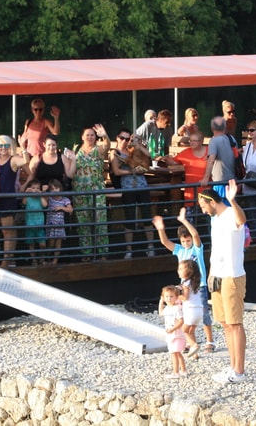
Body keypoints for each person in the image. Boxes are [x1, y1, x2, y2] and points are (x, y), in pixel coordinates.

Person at [202, 180, 247, 384]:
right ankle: (232, 366)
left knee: (235, 323)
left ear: (211, 202)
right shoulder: (216, 219)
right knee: (225, 323)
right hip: (218, 276)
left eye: (203, 206)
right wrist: (211, 274)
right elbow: (217, 249)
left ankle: (239, 371)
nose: (203, 211)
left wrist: (233, 201)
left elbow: (241, 221)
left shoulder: (229, 213)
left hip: (232, 275)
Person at [152, 209, 215, 353]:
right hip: (184, 286)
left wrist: (184, 220)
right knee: (185, 314)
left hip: (200, 286)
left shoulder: (197, 249)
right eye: (183, 241)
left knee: (204, 313)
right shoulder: (180, 250)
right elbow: (165, 242)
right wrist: (161, 229)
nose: (186, 243)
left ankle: (210, 341)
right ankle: (190, 342)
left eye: (188, 240)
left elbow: (196, 235)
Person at [0, 135, 28, 267]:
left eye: (6, 145)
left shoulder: (14, 159)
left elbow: (25, 161)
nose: (3, 148)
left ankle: (8, 260)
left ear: (10, 147)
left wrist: (23, 147)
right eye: (1, 145)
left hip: (8, 199)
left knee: (7, 231)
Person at [111, 130, 153, 258]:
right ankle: (129, 249)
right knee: (129, 218)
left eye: (127, 138)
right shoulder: (115, 153)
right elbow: (116, 171)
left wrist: (138, 145)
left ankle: (150, 247)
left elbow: (149, 156)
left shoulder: (134, 149)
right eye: (122, 138)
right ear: (117, 138)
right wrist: (132, 171)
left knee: (147, 217)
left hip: (142, 187)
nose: (124, 140)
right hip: (128, 188)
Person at [71, 125, 110, 260]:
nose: (90, 137)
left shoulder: (98, 149)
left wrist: (104, 135)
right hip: (79, 192)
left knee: (100, 221)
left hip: (96, 190)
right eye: (87, 134)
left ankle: (102, 253)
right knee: (83, 223)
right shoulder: (76, 150)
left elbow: (107, 146)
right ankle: (86, 253)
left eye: (92, 135)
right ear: (82, 137)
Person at [166, 130, 208, 208]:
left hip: (207, 190)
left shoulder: (209, 151)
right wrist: (164, 158)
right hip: (191, 192)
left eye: (194, 141)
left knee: (206, 217)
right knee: (190, 216)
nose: (191, 143)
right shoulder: (186, 152)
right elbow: (174, 162)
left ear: (201, 141)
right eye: (190, 140)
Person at [158, 284, 187, 379]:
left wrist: (173, 329)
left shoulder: (177, 308)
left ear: (176, 297)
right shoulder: (167, 308)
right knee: (177, 353)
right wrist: (161, 301)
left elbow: (181, 321)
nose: (169, 299)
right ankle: (183, 370)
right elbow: (160, 313)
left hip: (177, 335)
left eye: (171, 296)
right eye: (166, 296)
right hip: (170, 335)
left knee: (175, 353)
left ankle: (176, 372)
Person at [178, 259, 205, 358]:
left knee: (184, 330)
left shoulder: (186, 283)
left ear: (189, 271)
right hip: (199, 310)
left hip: (191, 310)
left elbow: (185, 297)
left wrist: (177, 296)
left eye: (181, 269)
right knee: (191, 331)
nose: (178, 271)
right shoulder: (195, 283)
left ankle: (193, 345)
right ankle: (195, 355)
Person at [203, 116, 236, 196]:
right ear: (224, 127)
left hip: (220, 181)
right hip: (232, 180)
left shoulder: (214, 141)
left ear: (212, 128)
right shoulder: (231, 139)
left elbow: (211, 160)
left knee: (221, 205)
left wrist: (206, 178)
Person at [43, 178, 71, 265]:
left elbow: (70, 209)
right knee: (51, 243)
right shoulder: (49, 198)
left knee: (58, 244)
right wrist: (44, 191)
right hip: (51, 225)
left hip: (60, 225)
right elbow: (43, 200)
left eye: (56, 188)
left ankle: (55, 261)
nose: (55, 190)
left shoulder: (65, 199)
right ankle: (47, 258)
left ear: (60, 188)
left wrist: (62, 208)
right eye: (52, 189)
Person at [21, 179, 47, 264]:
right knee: (31, 243)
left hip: (40, 224)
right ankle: (34, 259)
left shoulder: (40, 198)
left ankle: (42, 256)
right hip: (30, 224)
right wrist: (26, 193)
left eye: (37, 188)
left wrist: (41, 194)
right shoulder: (28, 198)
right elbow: (24, 202)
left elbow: (45, 205)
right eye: (33, 188)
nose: (35, 189)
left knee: (42, 244)